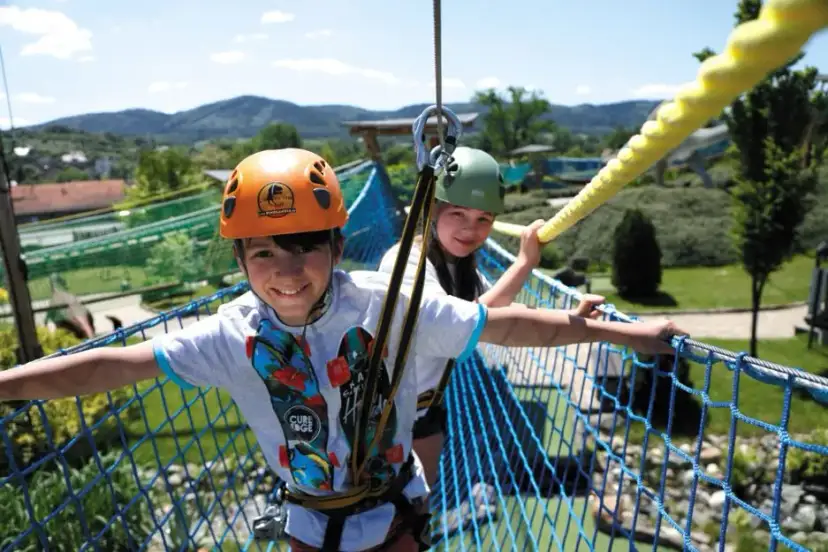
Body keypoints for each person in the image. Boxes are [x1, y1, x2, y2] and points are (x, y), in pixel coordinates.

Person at [0, 148, 686, 552]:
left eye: (306, 248)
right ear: (241, 258)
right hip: (309, 523)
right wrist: (6, 384)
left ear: (336, 246)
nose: (288, 271)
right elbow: (111, 365)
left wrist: (625, 335)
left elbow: (508, 326)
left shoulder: (393, 306)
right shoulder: (232, 335)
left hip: (392, 516)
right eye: (265, 252)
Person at [377, 146, 553, 486]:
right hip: (382, 413)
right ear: (433, 211)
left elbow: (496, 308)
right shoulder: (404, 263)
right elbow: (465, 324)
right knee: (381, 514)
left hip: (426, 407)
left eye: (483, 219)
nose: (470, 230)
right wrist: (524, 263)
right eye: (458, 214)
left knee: (418, 507)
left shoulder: (461, 267)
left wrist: (570, 317)